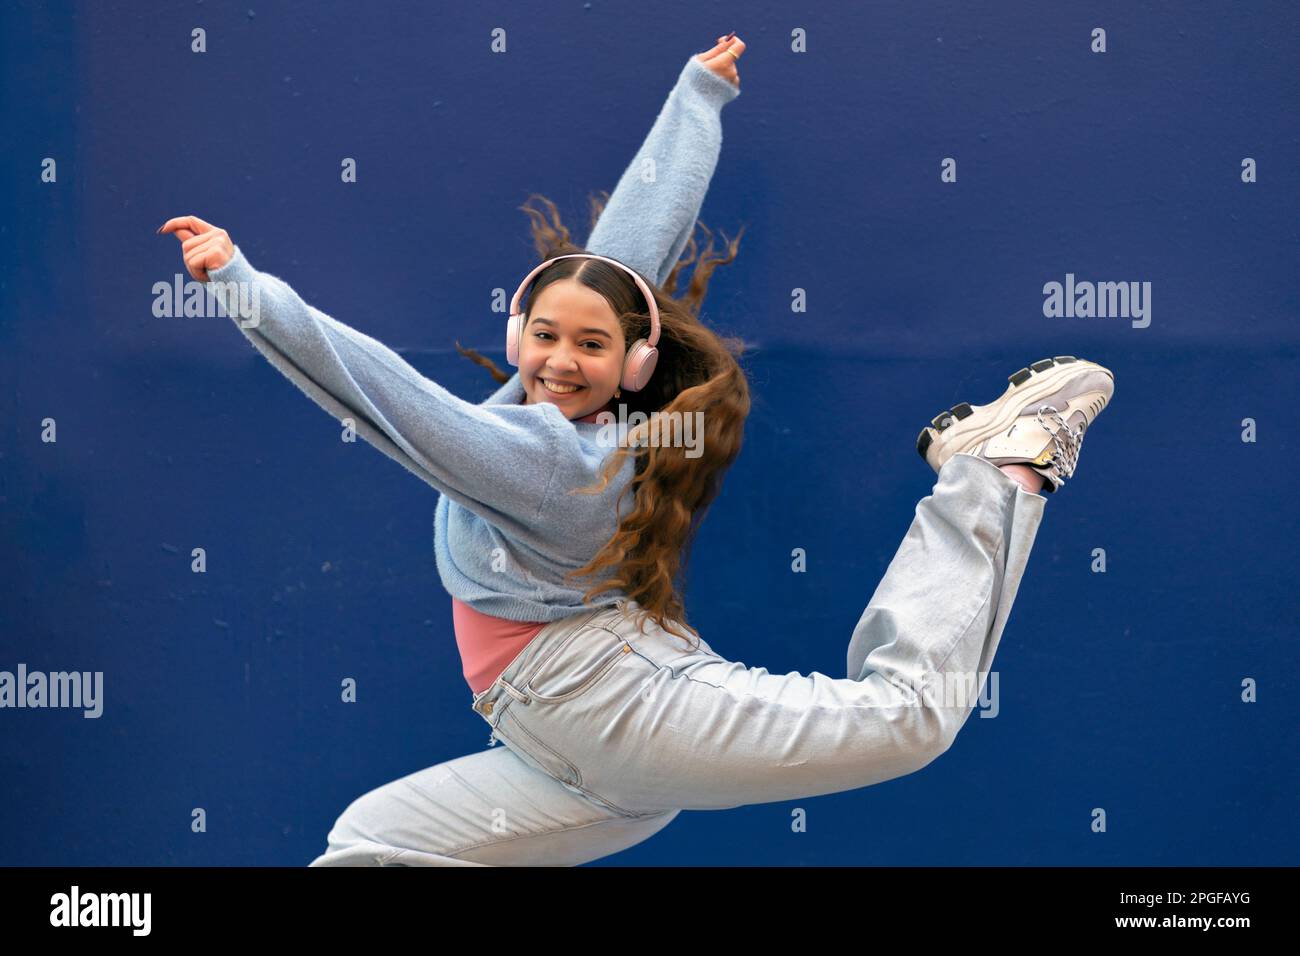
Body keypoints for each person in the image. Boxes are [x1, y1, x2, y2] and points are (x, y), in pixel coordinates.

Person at [161, 34, 1114, 867]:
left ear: (633, 362)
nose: (562, 361)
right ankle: (995, 470)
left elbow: (377, 393)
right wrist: (698, 101)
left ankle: (999, 469)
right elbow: (628, 254)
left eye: (591, 347)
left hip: (607, 710)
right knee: (377, 846)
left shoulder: (542, 460)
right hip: (572, 751)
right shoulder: (529, 414)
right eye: (546, 337)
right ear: (515, 336)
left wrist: (246, 289)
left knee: (908, 719)